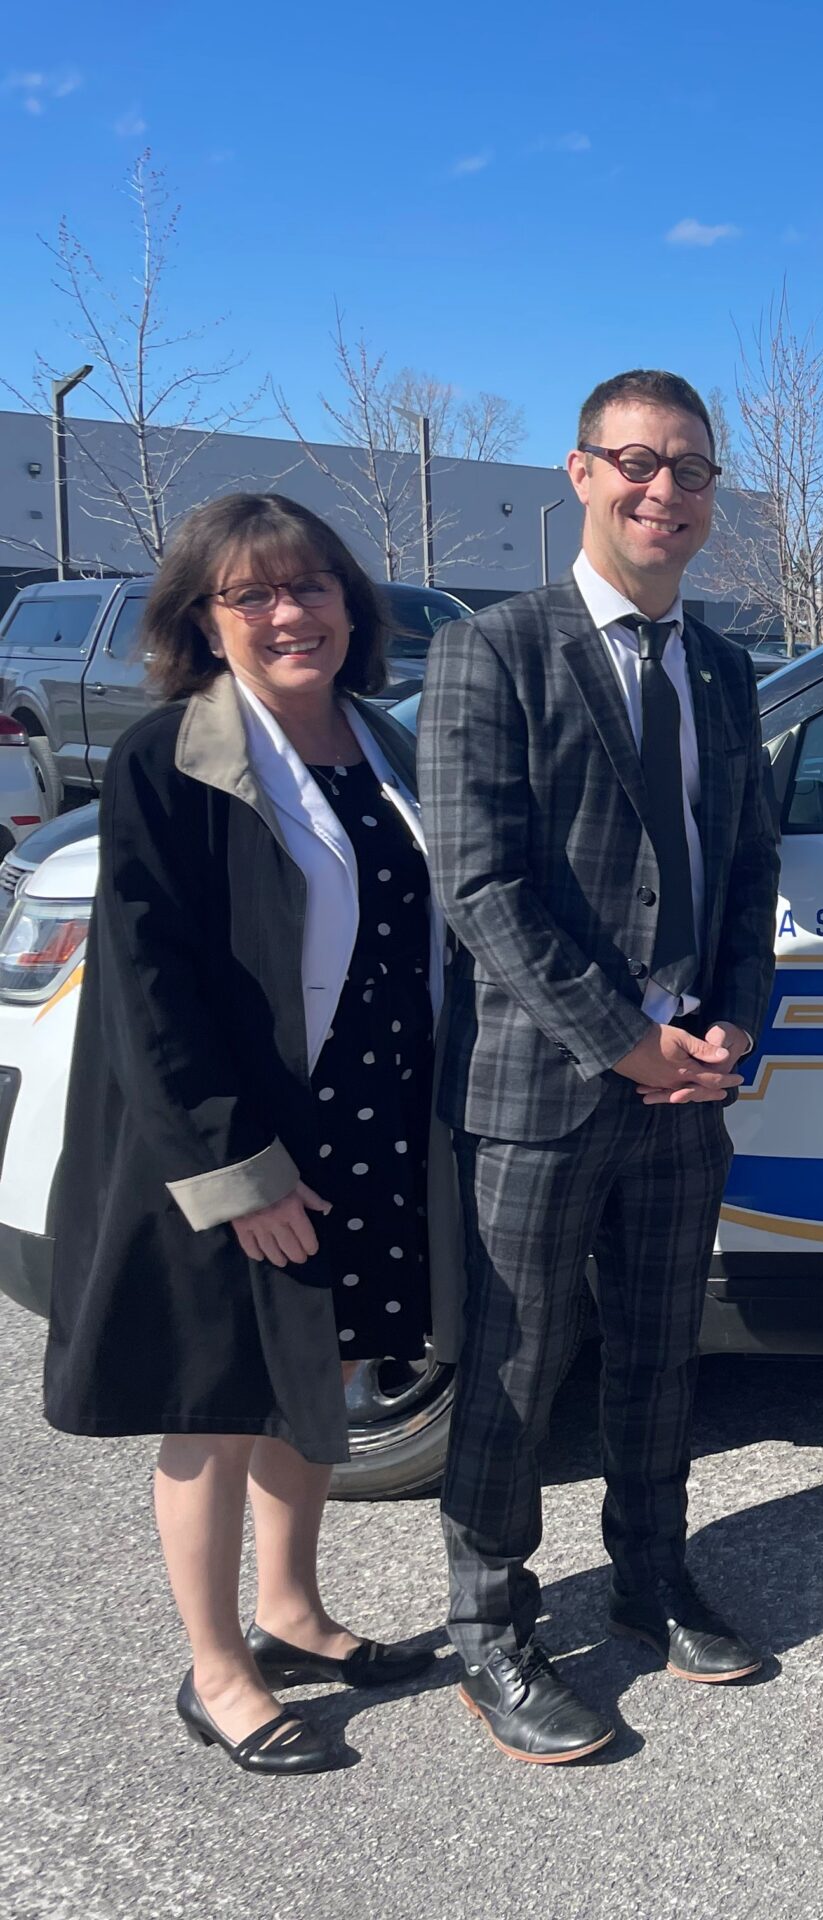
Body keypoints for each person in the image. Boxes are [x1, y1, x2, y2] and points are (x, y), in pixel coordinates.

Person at [44, 493, 450, 1774]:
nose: (291, 614)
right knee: (216, 1404)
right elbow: (147, 993)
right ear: (204, 623)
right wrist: (233, 1173)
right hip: (232, 1142)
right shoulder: (170, 761)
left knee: (312, 1379)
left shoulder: (381, 740)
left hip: (361, 1118)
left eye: (313, 586)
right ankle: (217, 1669)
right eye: (254, 595)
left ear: (351, 603)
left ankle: (292, 1611)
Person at [420, 369, 783, 1765]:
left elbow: (749, 866)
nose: (664, 491)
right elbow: (481, 883)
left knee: (656, 1350)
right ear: (578, 476)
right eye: (637, 463)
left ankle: (650, 1576)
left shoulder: (726, 664)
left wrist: (735, 1021)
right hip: (544, 1082)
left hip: (689, 1082)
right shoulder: (493, 652)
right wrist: (620, 1039)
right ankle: (492, 1629)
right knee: (515, 1368)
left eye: (690, 470)